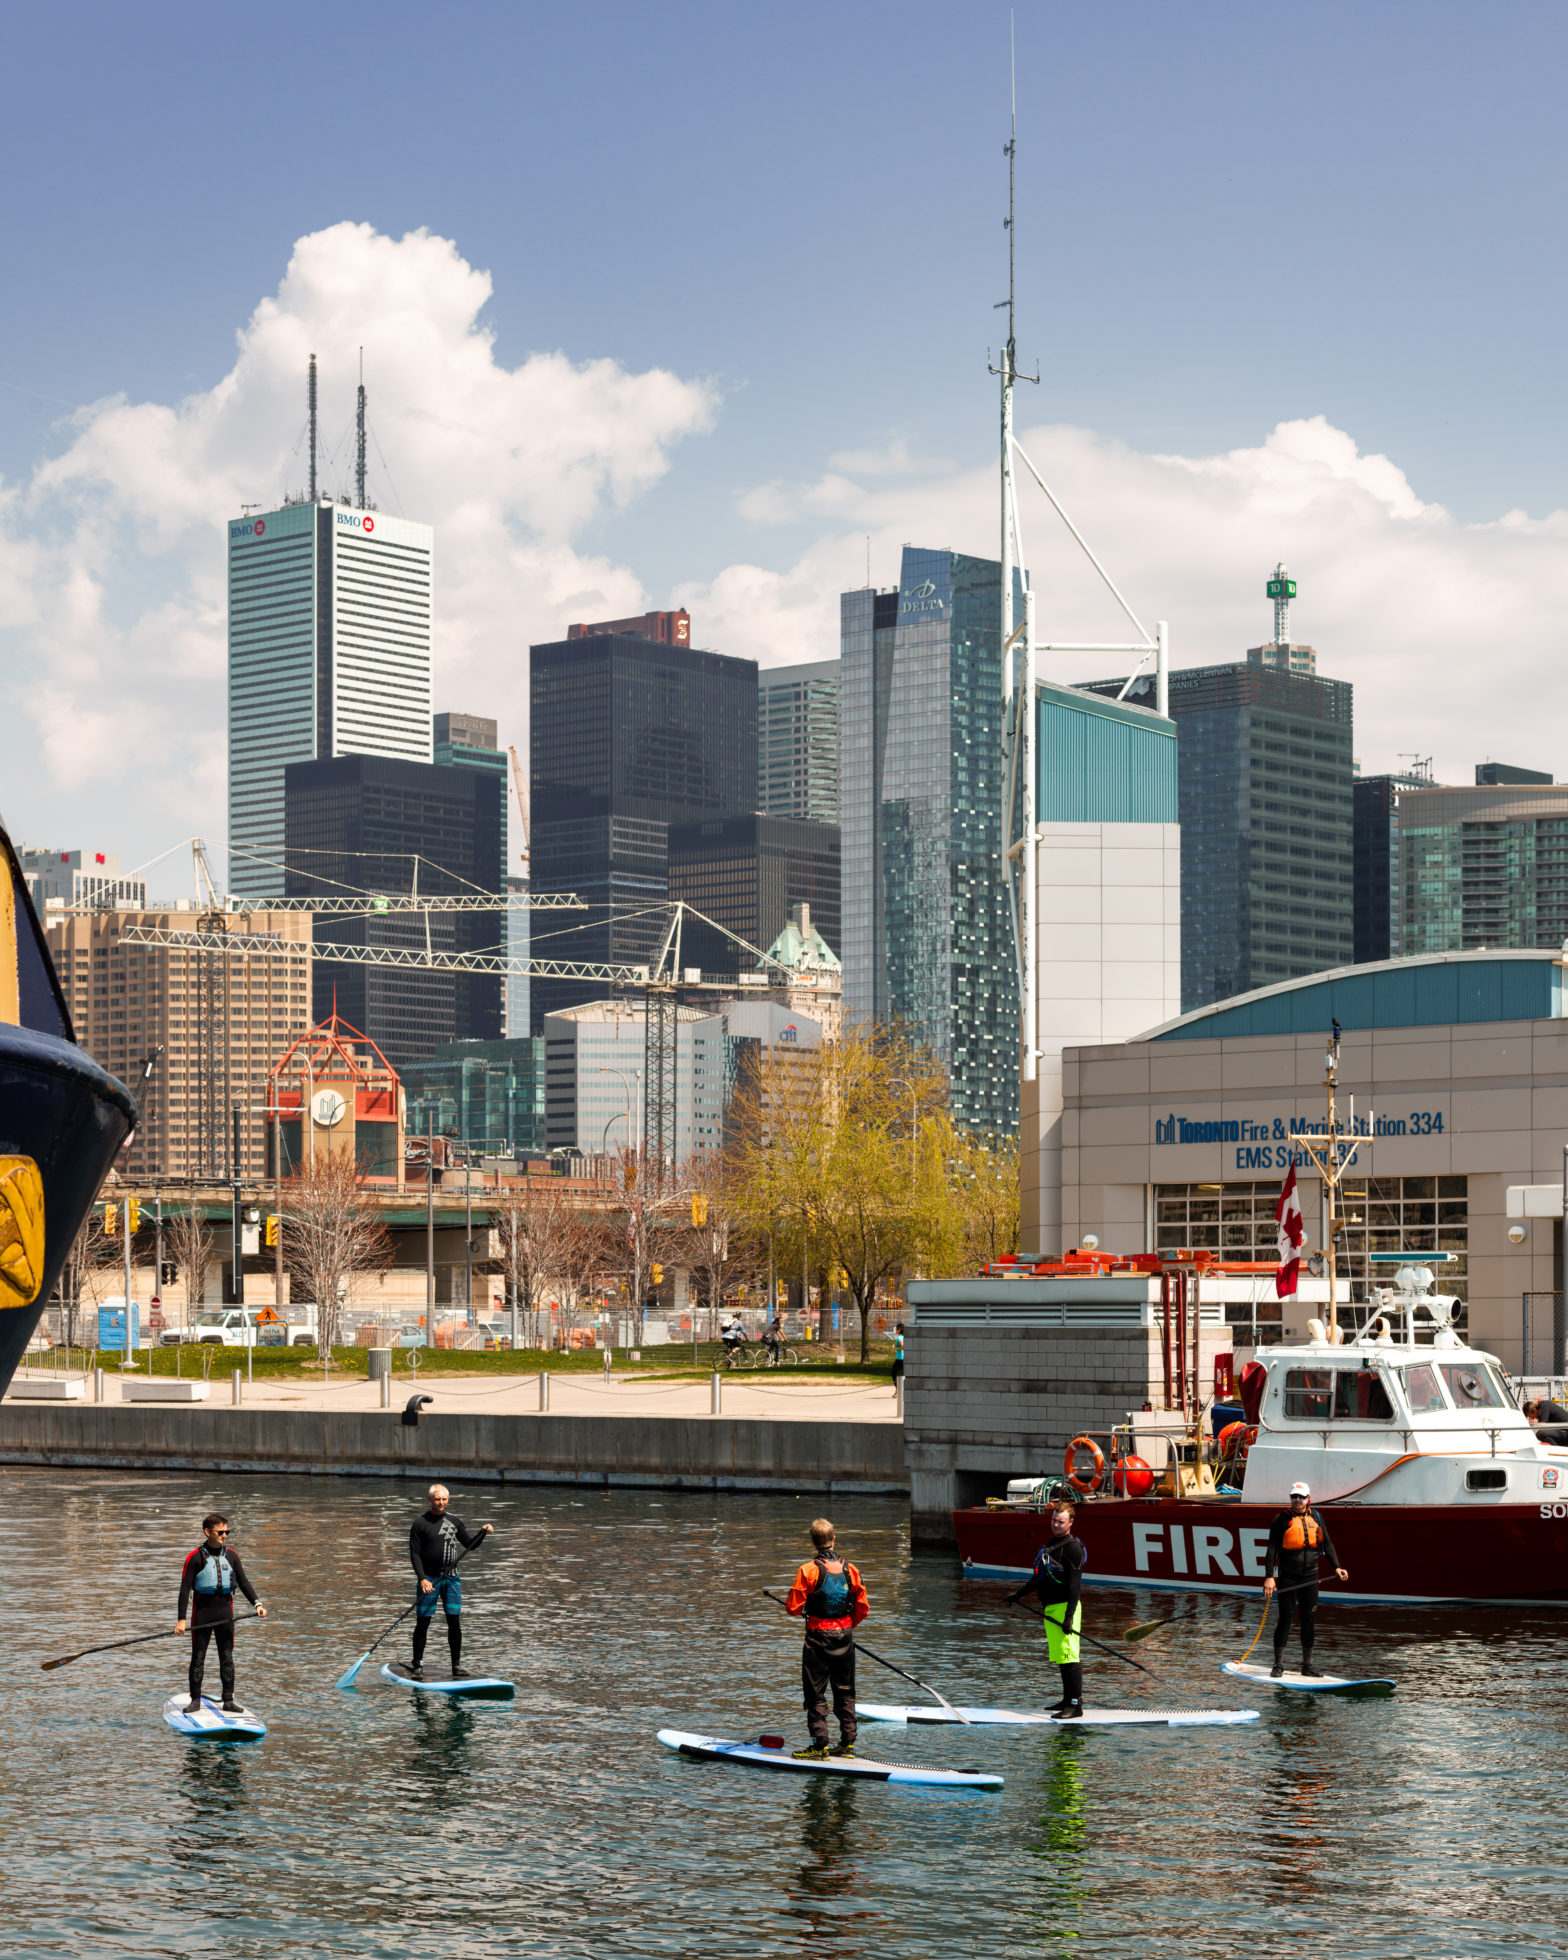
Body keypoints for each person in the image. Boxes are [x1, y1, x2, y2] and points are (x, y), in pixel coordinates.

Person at [785, 1518, 869, 1759]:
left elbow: (792, 1608)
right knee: (845, 1691)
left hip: (817, 1639)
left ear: (814, 1542)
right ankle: (847, 1744)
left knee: (815, 1693)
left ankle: (820, 1744)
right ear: (834, 1539)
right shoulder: (851, 1569)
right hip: (844, 1638)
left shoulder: (807, 1570)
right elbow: (863, 1607)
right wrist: (846, 1624)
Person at [175, 1512, 266, 1713]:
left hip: (226, 1614)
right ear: (208, 1532)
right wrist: (181, 1619)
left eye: (227, 1531)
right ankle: (195, 1701)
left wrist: (257, 1604)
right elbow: (184, 1588)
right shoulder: (195, 1557)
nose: (225, 1535)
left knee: (227, 1657)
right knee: (198, 1657)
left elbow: (243, 1582)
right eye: (221, 1532)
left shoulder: (232, 1555)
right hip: (202, 1615)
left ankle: (228, 1700)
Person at [1005, 1502, 1086, 1718]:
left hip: (1065, 1608)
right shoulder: (1050, 1545)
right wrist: (1018, 1595)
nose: (1056, 1524)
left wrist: (1069, 1617)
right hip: (1050, 1609)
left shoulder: (1073, 1549)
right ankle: (1066, 1700)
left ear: (1070, 1522)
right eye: (1054, 1520)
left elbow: (1074, 1586)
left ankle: (1075, 1706)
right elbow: (1038, 1579)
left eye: (1061, 1521)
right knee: (1061, 1656)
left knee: (1069, 1656)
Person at [1263, 1481, 1348, 1678]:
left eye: (1301, 1497)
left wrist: (1337, 1567)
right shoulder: (1281, 1520)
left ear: (1308, 1499)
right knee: (1286, 1618)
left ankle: (1307, 1666)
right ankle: (1278, 1665)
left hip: (1310, 1577)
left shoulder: (1317, 1516)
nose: (1298, 1501)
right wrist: (1269, 1577)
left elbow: (1327, 1542)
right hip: (1288, 1577)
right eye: (1294, 1497)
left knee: (1308, 1620)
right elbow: (1271, 1549)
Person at [409, 1483, 493, 1680]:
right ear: (430, 1499)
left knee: (454, 1622)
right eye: (437, 1499)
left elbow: (470, 1545)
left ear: (448, 1500)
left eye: (444, 1499)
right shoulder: (420, 1524)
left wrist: (482, 1533)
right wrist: (422, 1579)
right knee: (423, 1622)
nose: (440, 1503)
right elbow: (415, 1554)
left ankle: (456, 1666)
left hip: (452, 1578)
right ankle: (417, 1663)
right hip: (429, 1579)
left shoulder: (454, 1521)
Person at [890, 1323, 905, 1400]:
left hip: (900, 1359)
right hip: (904, 1359)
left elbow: (903, 1347)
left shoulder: (899, 1338)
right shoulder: (903, 1337)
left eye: (896, 1329)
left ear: (899, 1329)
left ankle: (899, 1390)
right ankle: (900, 1390)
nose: (896, 1330)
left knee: (893, 1373)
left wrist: (895, 1347)